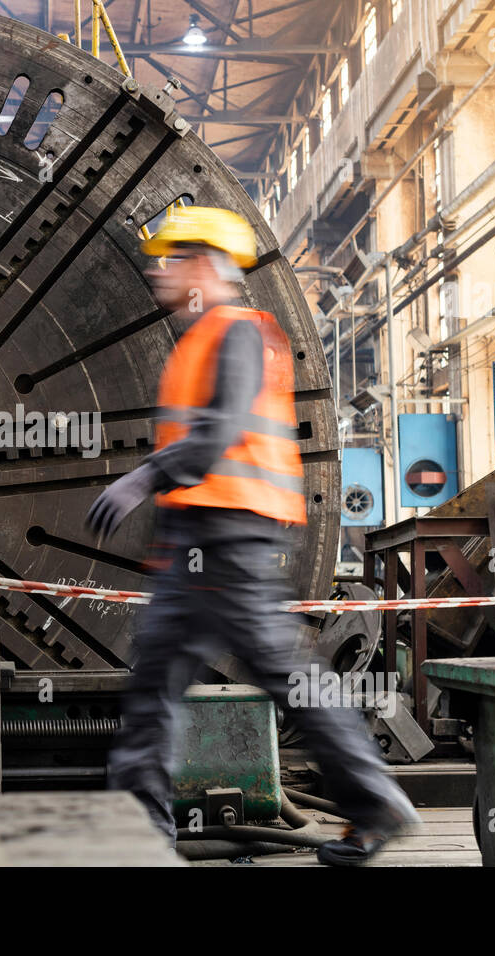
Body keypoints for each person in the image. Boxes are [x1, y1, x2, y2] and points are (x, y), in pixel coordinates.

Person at [86, 206, 420, 866]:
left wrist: (139, 481)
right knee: (158, 683)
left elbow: (217, 435)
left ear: (207, 268)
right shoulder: (204, 337)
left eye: (173, 259)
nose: (161, 271)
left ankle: (375, 802)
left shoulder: (234, 333)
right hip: (201, 538)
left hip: (231, 538)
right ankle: (141, 835)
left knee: (278, 674)